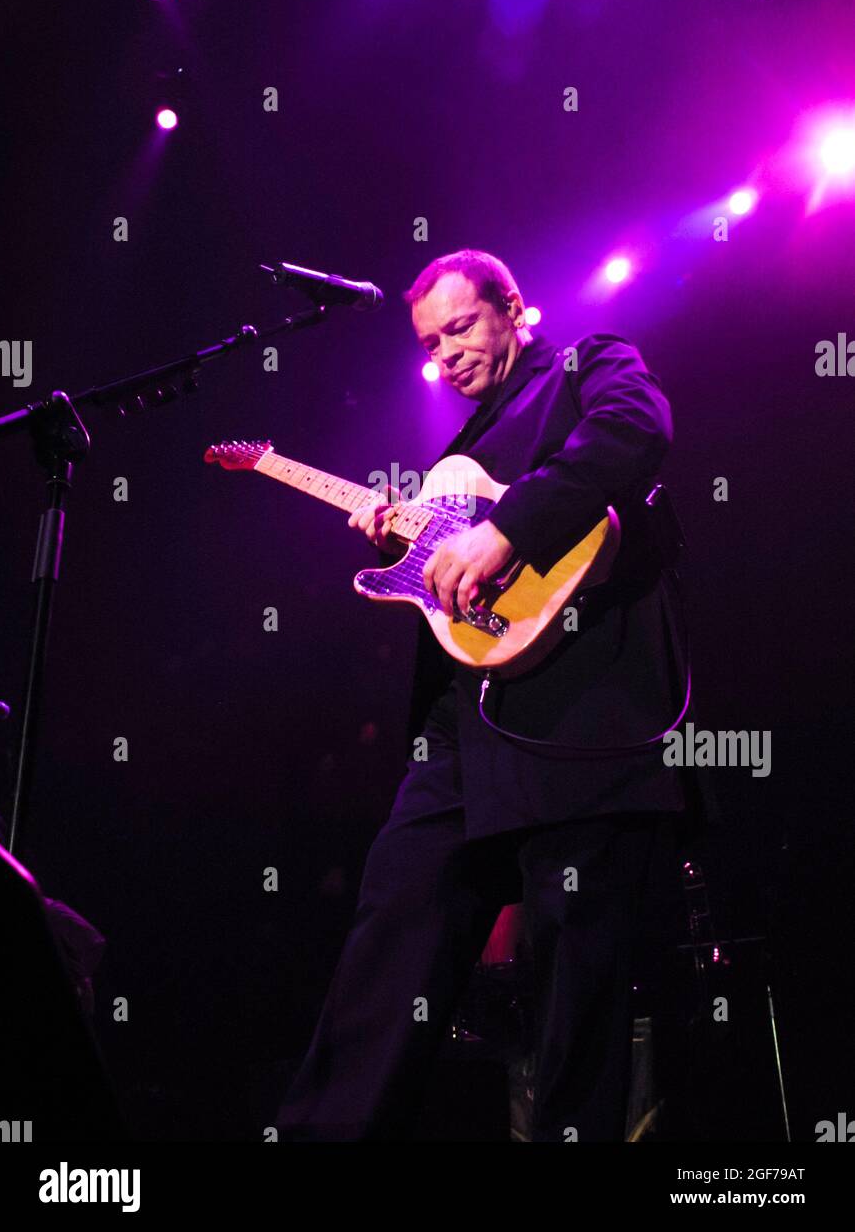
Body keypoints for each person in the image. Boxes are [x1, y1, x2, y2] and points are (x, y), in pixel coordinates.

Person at [275, 248, 707, 1142]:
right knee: (391, 935)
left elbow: (637, 428)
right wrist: (405, 551)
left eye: (462, 327)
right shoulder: (454, 453)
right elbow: (459, 590)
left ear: (512, 306)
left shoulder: (587, 365)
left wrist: (509, 528)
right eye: (432, 346)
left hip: (585, 716)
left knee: (575, 986)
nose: (448, 356)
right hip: (468, 732)